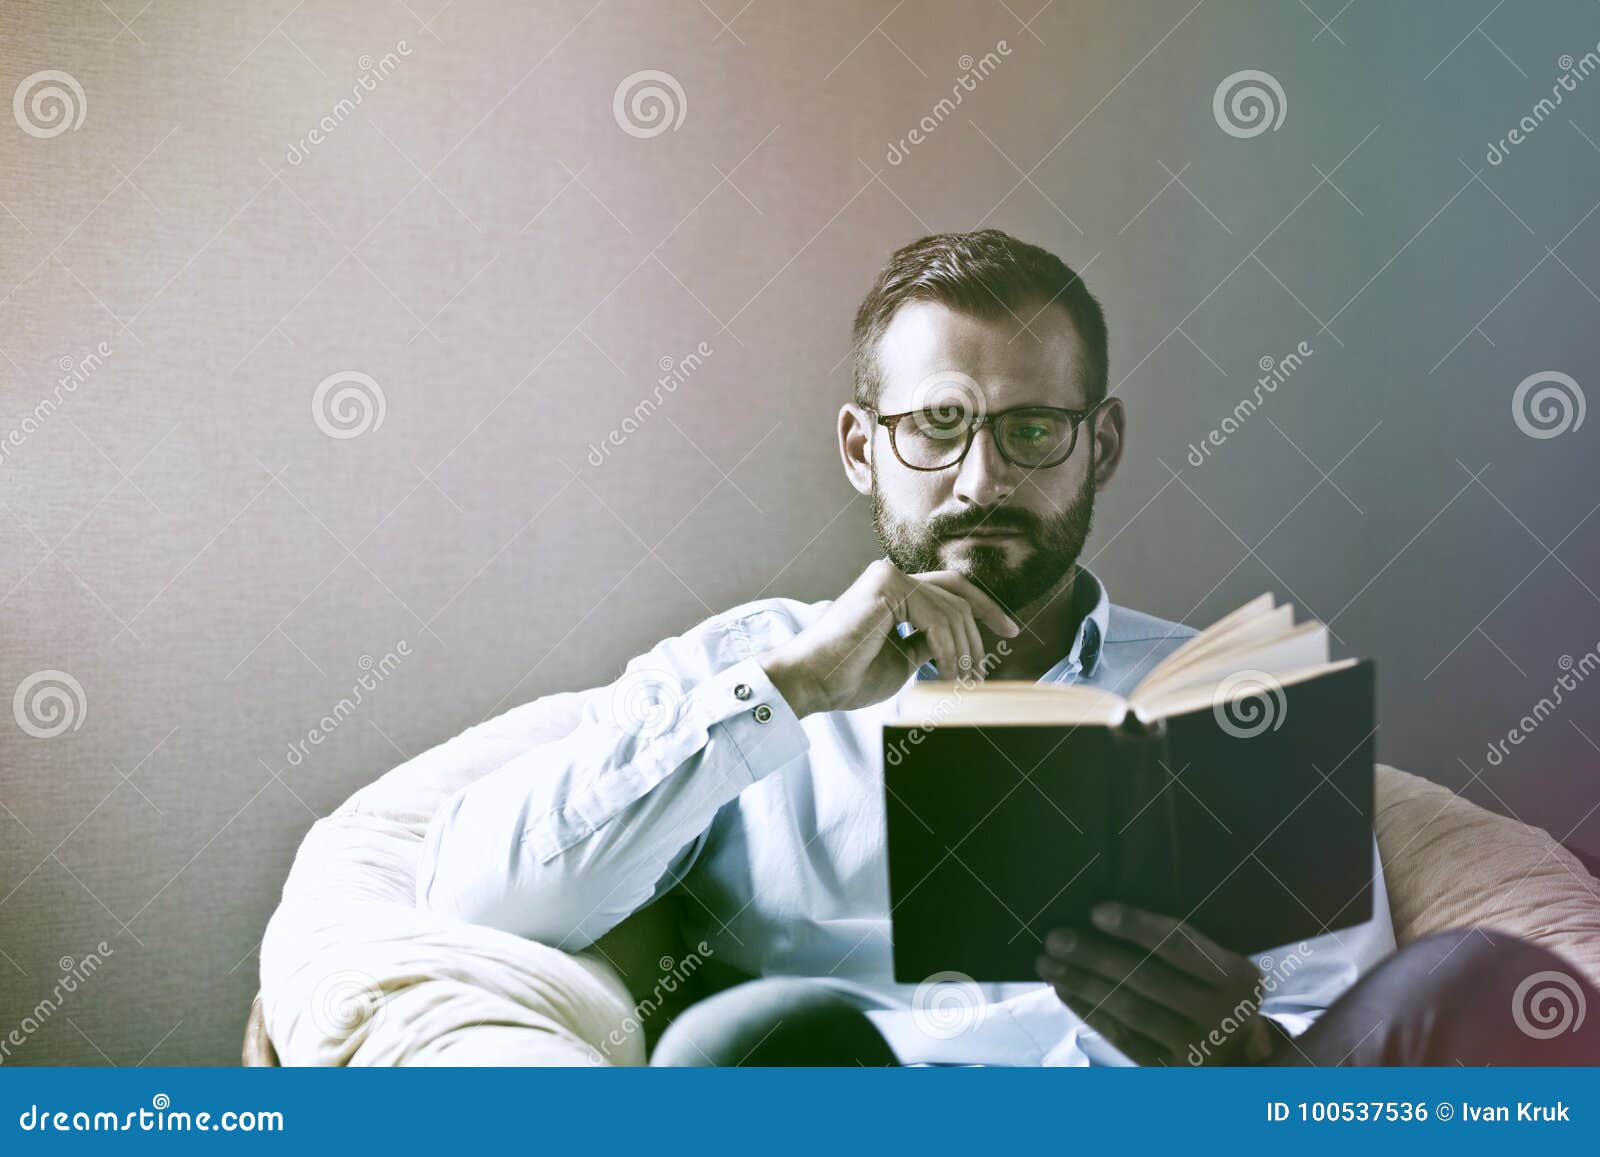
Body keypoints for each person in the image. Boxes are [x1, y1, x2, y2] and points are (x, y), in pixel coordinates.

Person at [415, 229, 1598, 1066]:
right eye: (937, 424)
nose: (983, 478)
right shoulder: (752, 668)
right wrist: (791, 687)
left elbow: (1357, 1021)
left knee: (1479, 980)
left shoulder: (1230, 691)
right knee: (733, 1035)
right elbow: (477, 897)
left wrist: (1244, 1052)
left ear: (1102, 445)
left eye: (1032, 427)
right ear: (858, 447)